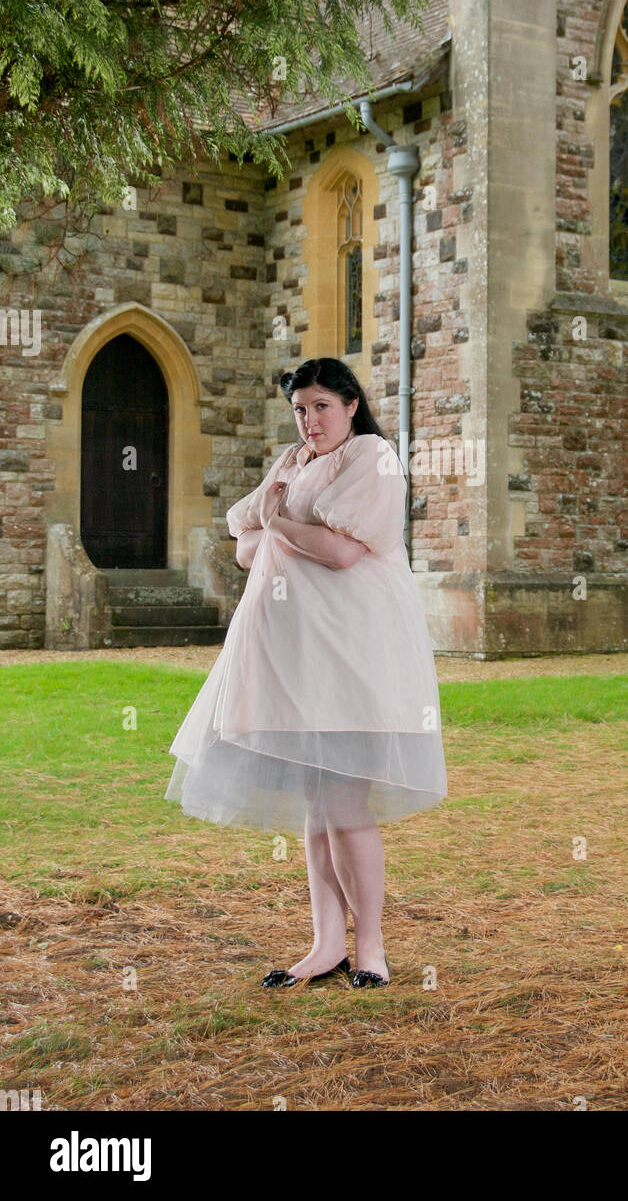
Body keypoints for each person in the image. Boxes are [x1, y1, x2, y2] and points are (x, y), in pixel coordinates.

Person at [165, 358, 447, 989]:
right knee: (316, 808)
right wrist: (282, 527)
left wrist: (278, 524)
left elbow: (343, 552)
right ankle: (325, 944)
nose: (310, 419)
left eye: (322, 405)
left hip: (350, 651)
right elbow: (243, 546)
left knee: (344, 801)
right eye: (300, 408)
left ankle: (370, 946)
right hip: (293, 655)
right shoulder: (292, 462)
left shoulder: (372, 456)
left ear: (350, 404)